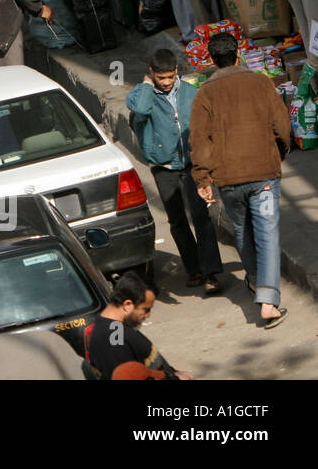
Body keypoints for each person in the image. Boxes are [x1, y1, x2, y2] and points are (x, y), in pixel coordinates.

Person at [190, 31, 291, 327]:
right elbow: (281, 124)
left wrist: (202, 178)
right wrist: (280, 151)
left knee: (242, 231)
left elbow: (199, 139)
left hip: (228, 179)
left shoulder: (204, 93)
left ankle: (255, 282)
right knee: (267, 234)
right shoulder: (261, 83)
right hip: (263, 175)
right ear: (238, 55)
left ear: (212, 60)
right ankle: (268, 302)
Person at [126, 48, 223, 293]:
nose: (167, 83)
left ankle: (211, 273)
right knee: (178, 220)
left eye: (170, 77)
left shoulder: (190, 92)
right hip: (163, 167)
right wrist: (148, 86)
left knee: (201, 217)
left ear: (177, 71)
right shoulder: (141, 94)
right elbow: (140, 110)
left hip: (192, 164)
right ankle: (194, 270)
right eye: (161, 78)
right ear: (152, 74)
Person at [82, 272, 192, 380]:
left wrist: (174, 373)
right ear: (128, 305)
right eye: (146, 309)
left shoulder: (115, 327)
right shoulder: (113, 340)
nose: (148, 315)